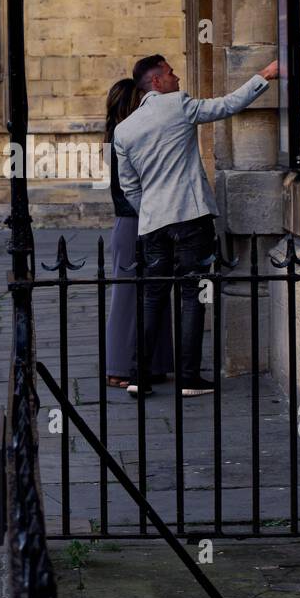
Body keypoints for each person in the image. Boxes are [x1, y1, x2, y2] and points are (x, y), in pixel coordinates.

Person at [113, 54, 279, 396]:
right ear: (156, 81)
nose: (177, 78)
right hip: (191, 219)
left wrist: (152, 213)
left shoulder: (123, 130)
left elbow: (129, 186)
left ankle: (137, 376)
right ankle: (189, 377)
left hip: (153, 226)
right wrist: (265, 74)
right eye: (171, 73)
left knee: (152, 299)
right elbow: (227, 105)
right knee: (192, 296)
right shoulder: (179, 105)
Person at [104, 79, 173, 388]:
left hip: (142, 219)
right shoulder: (125, 136)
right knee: (128, 296)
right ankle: (118, 367)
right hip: (133, 222)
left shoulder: (121, 134)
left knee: (153, 292)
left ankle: (153, 363)